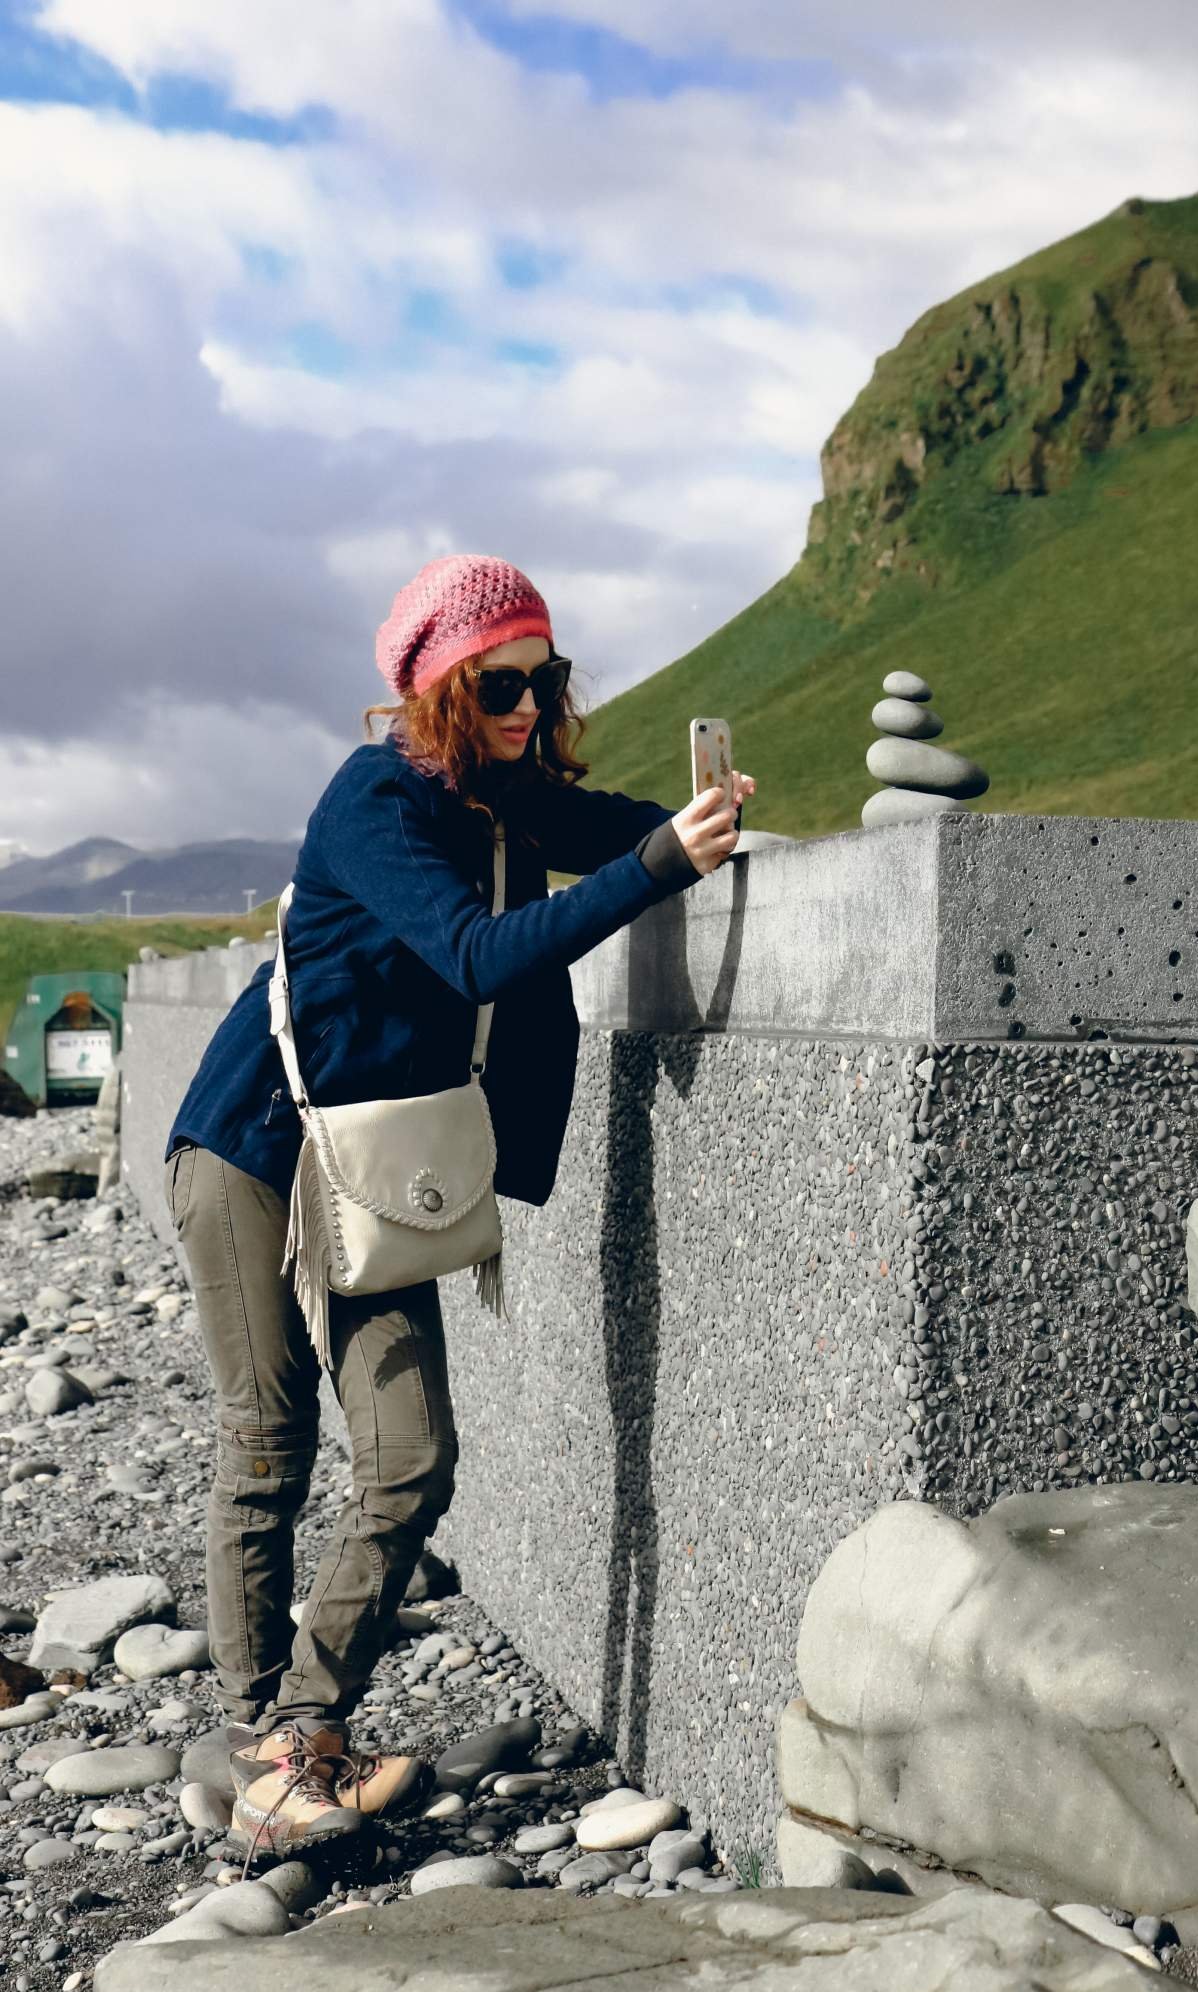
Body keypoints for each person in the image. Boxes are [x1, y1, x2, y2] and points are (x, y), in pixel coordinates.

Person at [161, 553, 755, 1862]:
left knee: (410, 1459)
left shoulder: (514, 805)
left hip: (375, 1169)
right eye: (502, 682)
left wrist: (706, 823)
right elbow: (483, 952)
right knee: (269, 1440)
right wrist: (660, 860)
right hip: (254, 1152)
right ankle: (263, 1731)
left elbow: (624, 833)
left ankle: (295, 1740)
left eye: (546, 681)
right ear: (436, 686)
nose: (530, 707)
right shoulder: (376, 802)